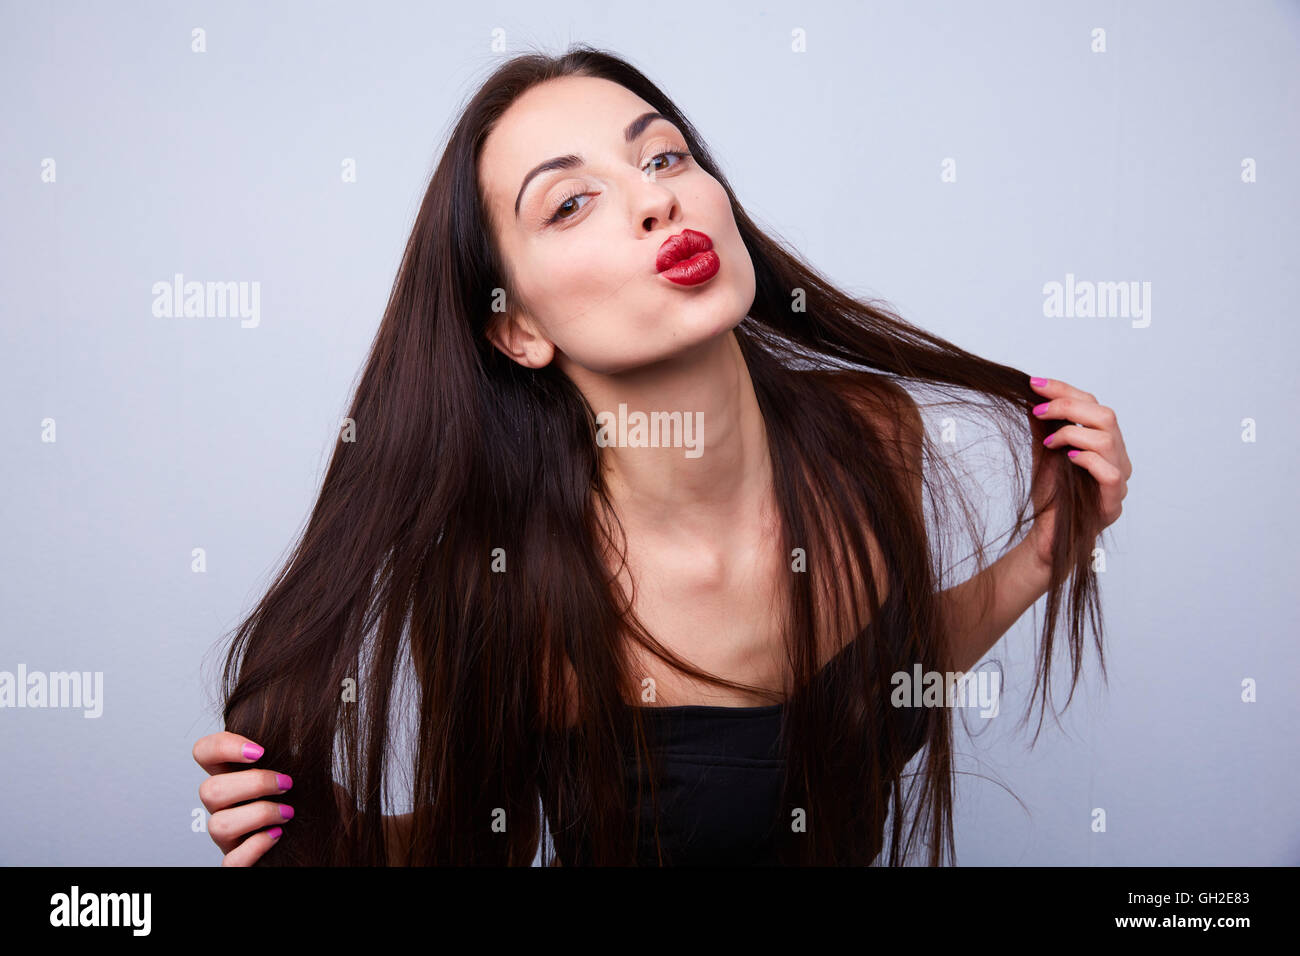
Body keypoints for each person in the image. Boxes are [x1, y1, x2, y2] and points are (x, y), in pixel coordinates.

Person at [193, 45, 1131, 866]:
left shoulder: (874, 434)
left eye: (664, 154)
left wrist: (1041, 560)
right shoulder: (504, 581)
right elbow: (487, 839)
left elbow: (884, 679)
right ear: (516, 327)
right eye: (570, 203)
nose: (655, 197)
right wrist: (321, 836)